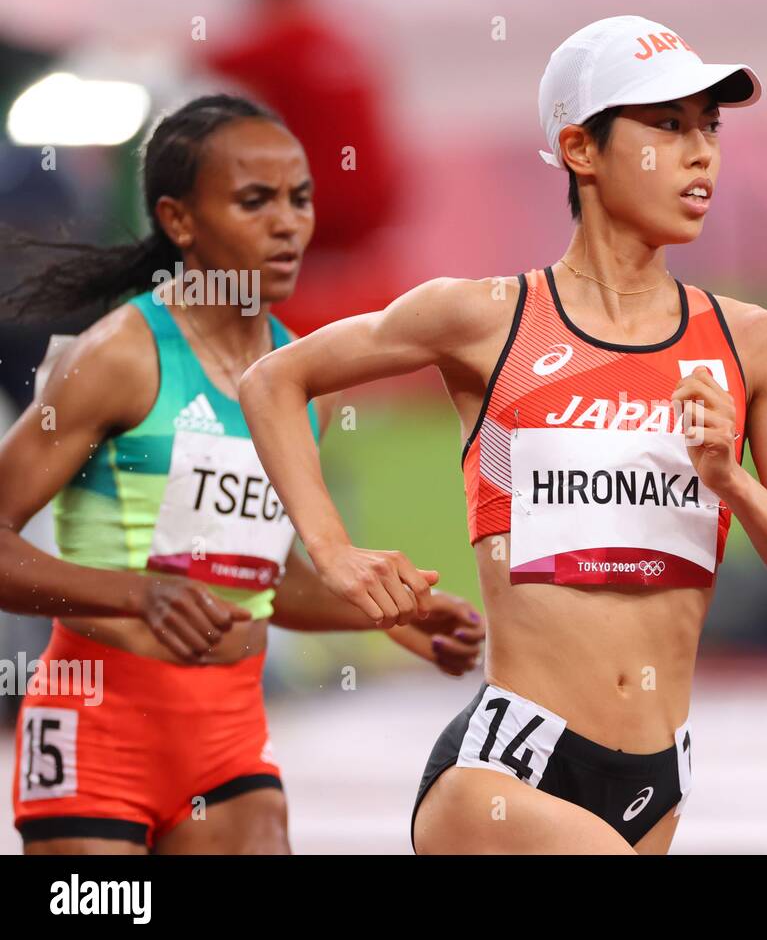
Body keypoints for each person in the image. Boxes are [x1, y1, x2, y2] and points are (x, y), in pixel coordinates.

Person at [240, 16, 767, 855]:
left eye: (709, 125)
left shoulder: (754, 344)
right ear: (581, 151)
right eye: (666, 127)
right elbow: (273, 379)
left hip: (659, 776)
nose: (701, 151)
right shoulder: (485, 320)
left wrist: (732, 480)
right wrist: (336, 555)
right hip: (504, 773)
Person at [0, 94, 484, 855]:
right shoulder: (120, 357)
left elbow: (262, 579)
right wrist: (140, 595)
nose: (288, 223)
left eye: (300, 198)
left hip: (227, 742)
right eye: (254, 201)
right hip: (98, 727)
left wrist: (390, 613)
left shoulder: (294, 379)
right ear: (179, 220)